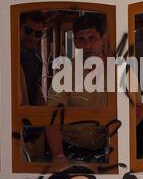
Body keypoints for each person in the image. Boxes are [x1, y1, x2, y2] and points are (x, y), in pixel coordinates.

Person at [46, 11, 121, 166]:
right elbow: (51, 116)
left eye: (92, 38)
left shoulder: (120, 70)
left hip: (113, 151)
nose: (87, 45)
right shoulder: (66, 73)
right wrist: (59, 156)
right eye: (82, 39)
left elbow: (137, 109)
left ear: (103, 39)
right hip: (72, 152)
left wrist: (120, 142)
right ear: (75, 42)